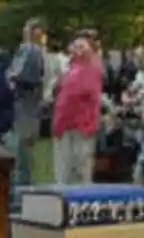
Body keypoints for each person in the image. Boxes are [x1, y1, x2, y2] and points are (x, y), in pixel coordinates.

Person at [52, 31, 105, 186]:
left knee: (82, 167)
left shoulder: (92, 68)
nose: (76, 50)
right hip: (65, 124)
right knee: (64, 168)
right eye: (75, 46)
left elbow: (84, 92)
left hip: (82, 125)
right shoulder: (71, 69)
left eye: (81, 47)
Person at [9, 19, 46, 186]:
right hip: (28, 106)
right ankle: (23, 184)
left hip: (26, 106)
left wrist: (12, 78)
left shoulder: (31, 51)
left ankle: (22, 188)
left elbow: (23, 76)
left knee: (23, 150)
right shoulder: (33, 51)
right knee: (23, 150)